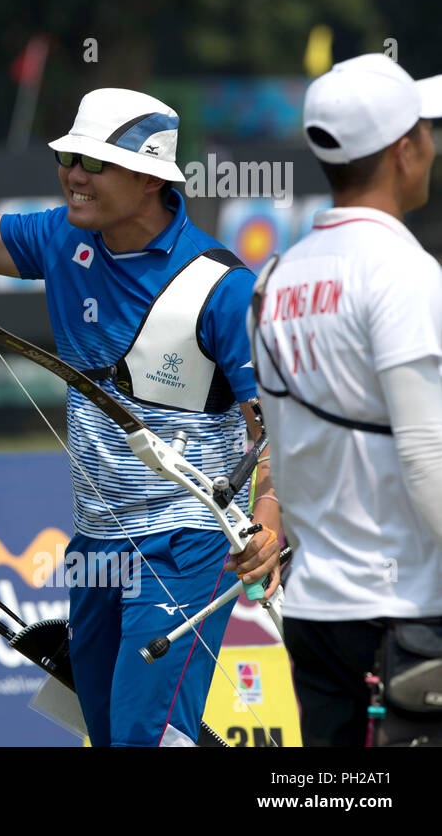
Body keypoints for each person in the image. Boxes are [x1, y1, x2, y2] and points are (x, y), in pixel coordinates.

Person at [0, 48, 280, 746]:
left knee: (151, 736)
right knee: (109, 735)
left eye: (92, 164)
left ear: (147, 180)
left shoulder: (221, 287)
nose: (71, 175)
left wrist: (270, 513)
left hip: (186, 543)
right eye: (67, 159)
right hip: (95, 544)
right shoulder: (63, 237)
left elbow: (274, 423)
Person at [250, 53, 442, 746]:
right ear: (404, 150)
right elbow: (426, 454)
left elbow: (284, 449)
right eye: (427, 129)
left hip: (316, 612)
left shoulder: (274, 278)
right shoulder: (404, 274)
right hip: (407, 611)